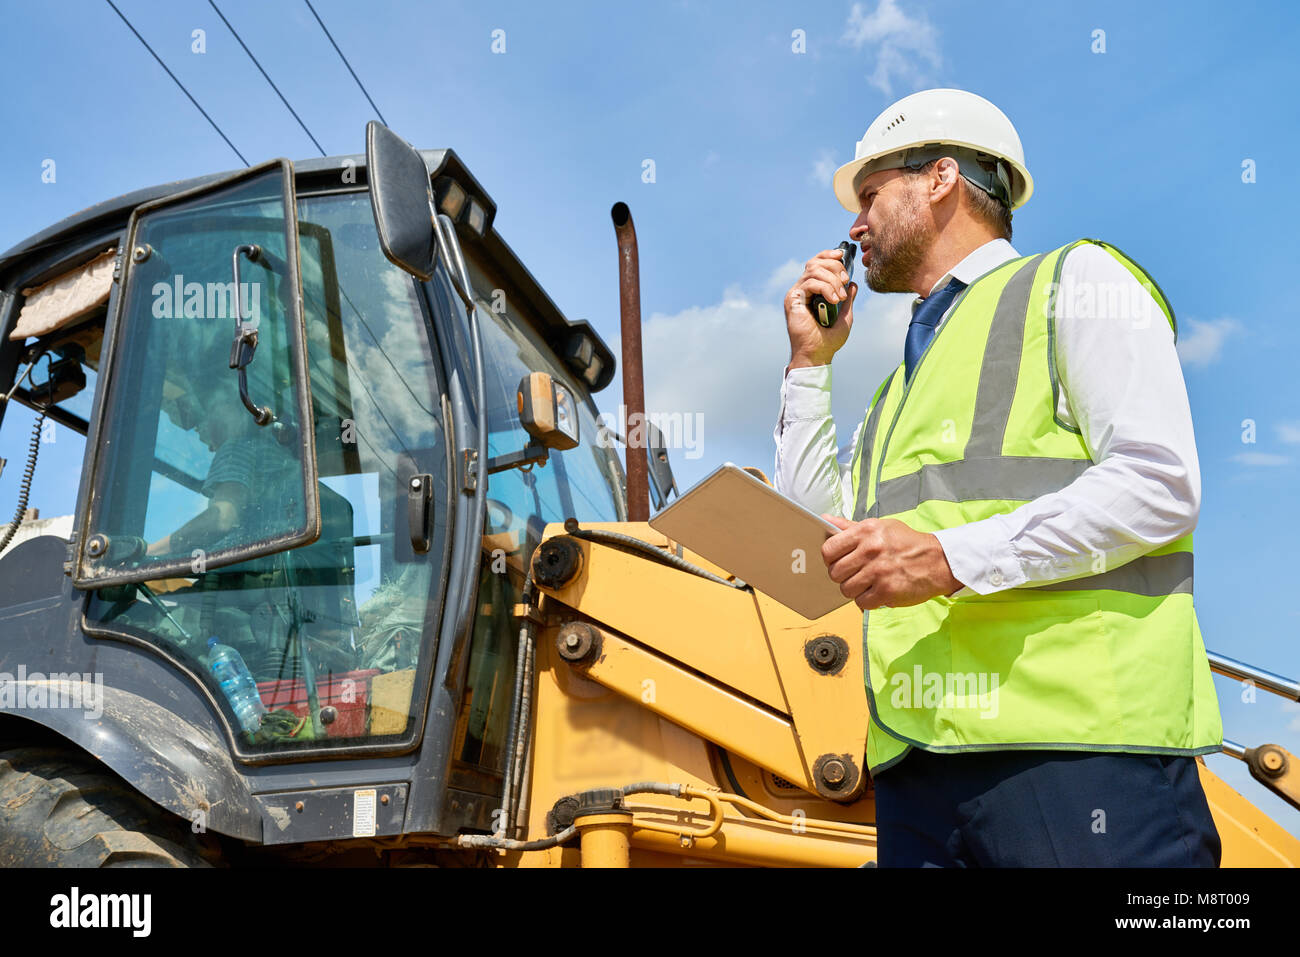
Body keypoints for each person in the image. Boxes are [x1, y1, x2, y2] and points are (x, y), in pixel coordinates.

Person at [774, 88, 1223, 867]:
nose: (854, 226)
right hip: (917, 773)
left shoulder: (1077, 281)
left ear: (940, 177)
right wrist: (810, 366)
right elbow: (818, 546)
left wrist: (947, 559)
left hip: (1077, 755)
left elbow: (1161, 482)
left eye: (871, 195)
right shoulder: (894, 393)